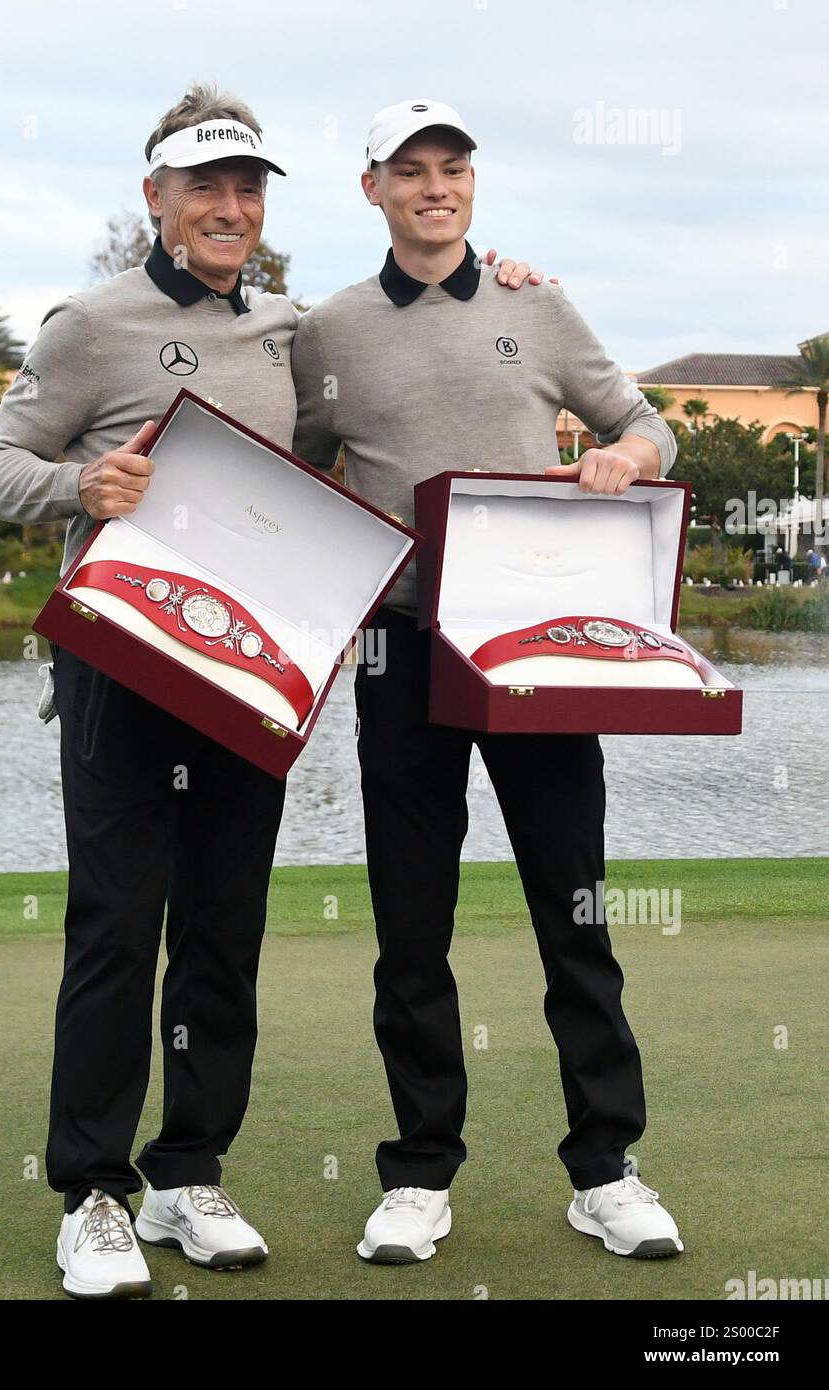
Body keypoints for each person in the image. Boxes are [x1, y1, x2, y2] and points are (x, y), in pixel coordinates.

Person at [0, 82, 543, 1299]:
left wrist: (507, 291)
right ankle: (93, 1194)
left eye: (246, 188)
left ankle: (187, 1170)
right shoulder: (90, 322)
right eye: (204, 188)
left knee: (226, 931)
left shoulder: (289, 331)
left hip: (252, 669)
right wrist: (82, 488)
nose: (229, 209)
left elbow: (383, 403)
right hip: (123, 662)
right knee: (119, 927)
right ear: (156, 200)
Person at [292, 98, 684, 1264]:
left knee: (576, 909)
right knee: (411, 923)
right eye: (408, 171)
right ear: (371, 189)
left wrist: (622, 455)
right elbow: (299, 478)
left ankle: (605, 1166)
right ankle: (419, 1173)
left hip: (540, 644)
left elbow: (647, 423)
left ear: (474, 183)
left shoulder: (537, 301)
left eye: (452, 169)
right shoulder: (330, 330)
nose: (434, 188)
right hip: (402, 649)